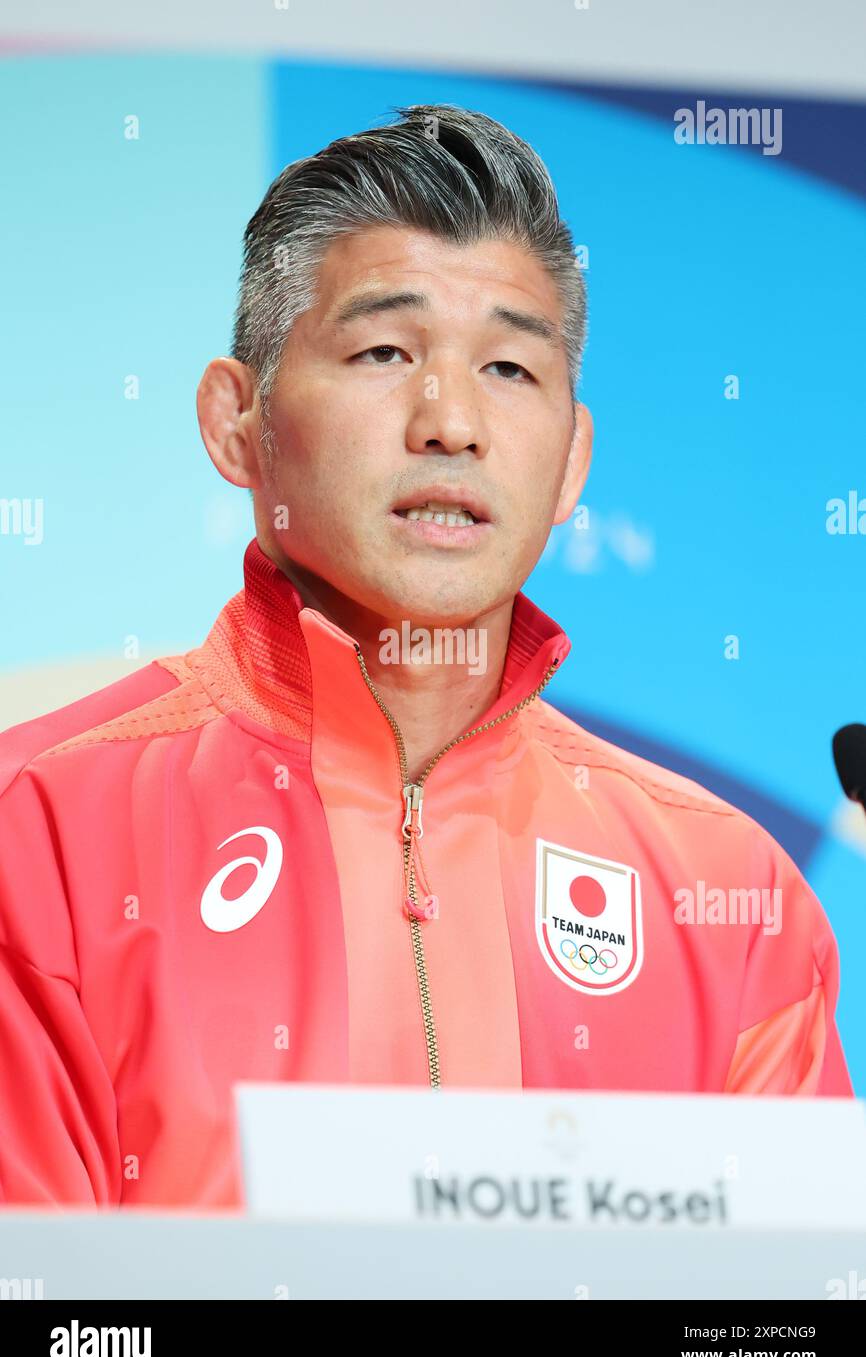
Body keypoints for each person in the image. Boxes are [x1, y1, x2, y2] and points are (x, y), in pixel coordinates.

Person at [0, 104, 852, 1208]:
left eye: (507, 367)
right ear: (236, 422)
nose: (449, 421)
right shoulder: (42, 830)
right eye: (385, 350)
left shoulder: (727, 894)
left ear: (570, 462)